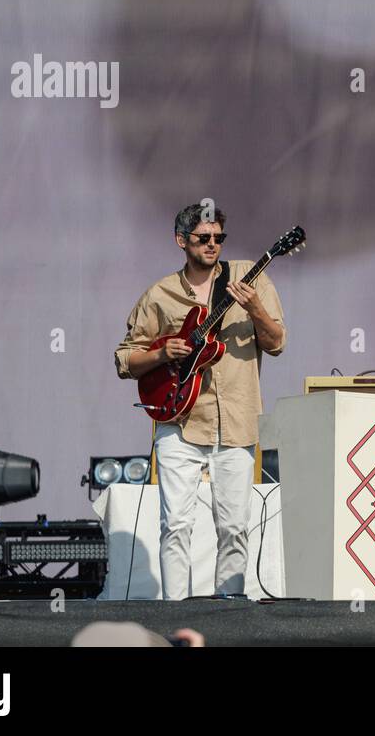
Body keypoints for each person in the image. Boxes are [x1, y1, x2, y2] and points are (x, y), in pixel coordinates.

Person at [115, 204, 285, 600]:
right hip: (179, 419)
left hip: (237, 418)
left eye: (218, 238)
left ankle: (229, 612)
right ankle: (176, 616)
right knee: (175, 524)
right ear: (182, 241)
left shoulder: (249, 276)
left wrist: (255, 307)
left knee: (234, 527)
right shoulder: (160, 294)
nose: (212, 245)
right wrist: (161, 353)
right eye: (203, 238)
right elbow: (125, 358)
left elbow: (277, 343)